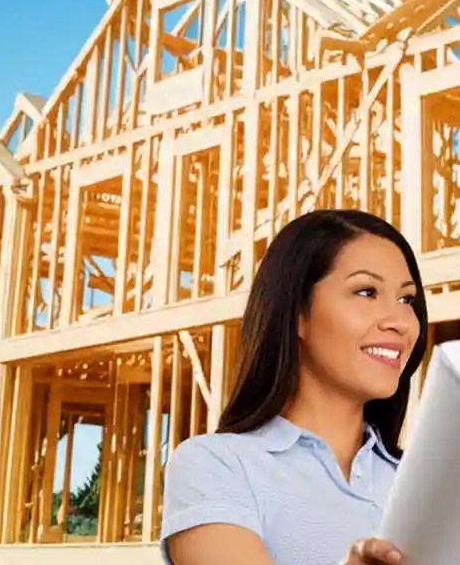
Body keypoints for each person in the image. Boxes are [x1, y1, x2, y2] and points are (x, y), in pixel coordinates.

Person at [159, 209, 420, 565]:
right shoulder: (217, 466)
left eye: (407, 299)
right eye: (366, 291)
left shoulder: (421, 484)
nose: (400, 322)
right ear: (297, 311)